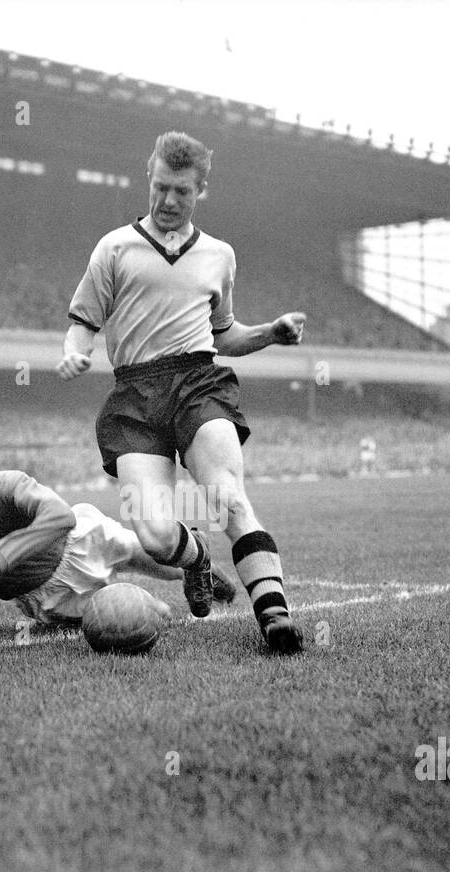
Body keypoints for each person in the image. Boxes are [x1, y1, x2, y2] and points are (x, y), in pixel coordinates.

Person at [56, 131, 306, 654]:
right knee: (153, 536)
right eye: (161, 187)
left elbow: (225, 336)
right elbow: (84, 320)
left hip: (198, 381)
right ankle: (195, 557)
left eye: (182, 192)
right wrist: (74, 351)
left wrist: (271, 334)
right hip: (134, 395)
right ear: (149, 179)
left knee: (227, 496)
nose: (169, 201)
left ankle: (275, 616)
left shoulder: (219, 255)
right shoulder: (114, 248)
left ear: (200, 192)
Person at [0, 437, 236, 662]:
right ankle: (159, 595)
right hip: (48, 595)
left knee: (147, 551)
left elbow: (59, 516)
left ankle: (195, 562)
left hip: (81, 538)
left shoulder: (6, 486)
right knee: (138, 617)